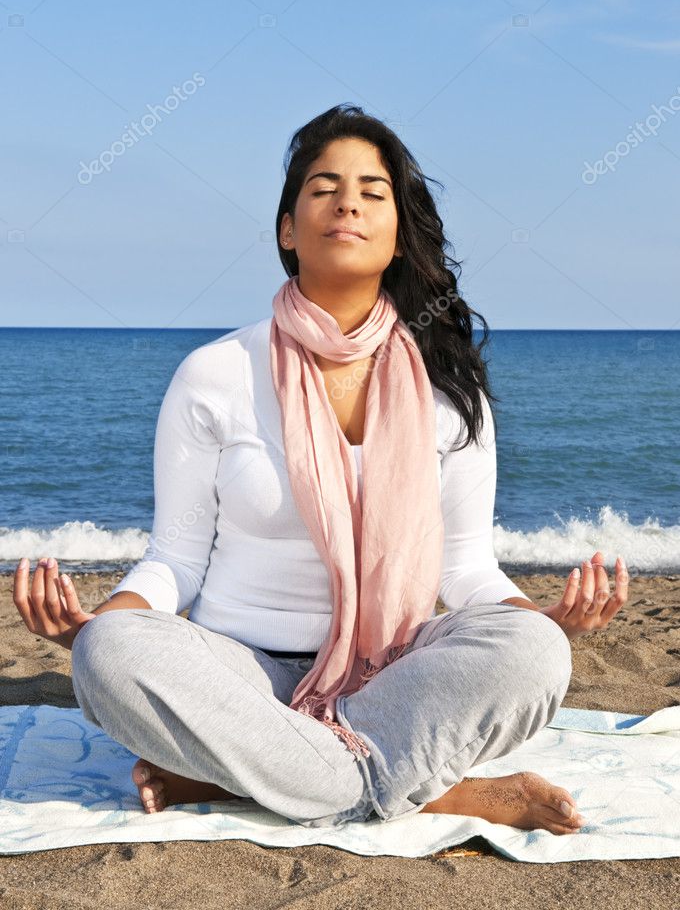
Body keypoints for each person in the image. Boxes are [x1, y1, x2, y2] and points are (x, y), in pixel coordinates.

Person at [13, 104, 628, 834]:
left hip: (395, 674)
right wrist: (94, 624)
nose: (348, 203)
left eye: (373, 192)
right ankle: (434, 790)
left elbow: (465, 571)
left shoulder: (449, 392)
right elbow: (174, 559)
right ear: (286, 228)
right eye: (323, 187)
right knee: (111, 654)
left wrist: (547, 622)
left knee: (532, 654)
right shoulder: (215, 373)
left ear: (399, 236)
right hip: (237, 673)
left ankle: (253, 778)